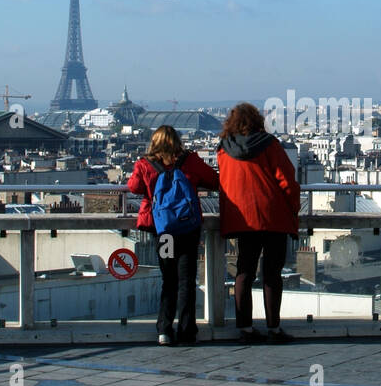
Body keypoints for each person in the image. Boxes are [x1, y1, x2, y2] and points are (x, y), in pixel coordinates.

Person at [217, 103, 301, 344]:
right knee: (272, 274)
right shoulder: (269, 144)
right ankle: (274, 328)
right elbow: (286, 180)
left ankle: (245, 327)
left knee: (243, 271)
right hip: (273, 216)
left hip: (241, 218)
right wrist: (293, 209)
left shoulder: (224, 149)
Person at [128, 126, 219, 346]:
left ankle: (164, 329)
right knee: (187, 280)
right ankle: (187, 330)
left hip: (164, 231)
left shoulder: (145, 165)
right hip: (187, 230)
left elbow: (133, 187)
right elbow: (214, 181)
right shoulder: (190, 162)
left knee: (168, 279)